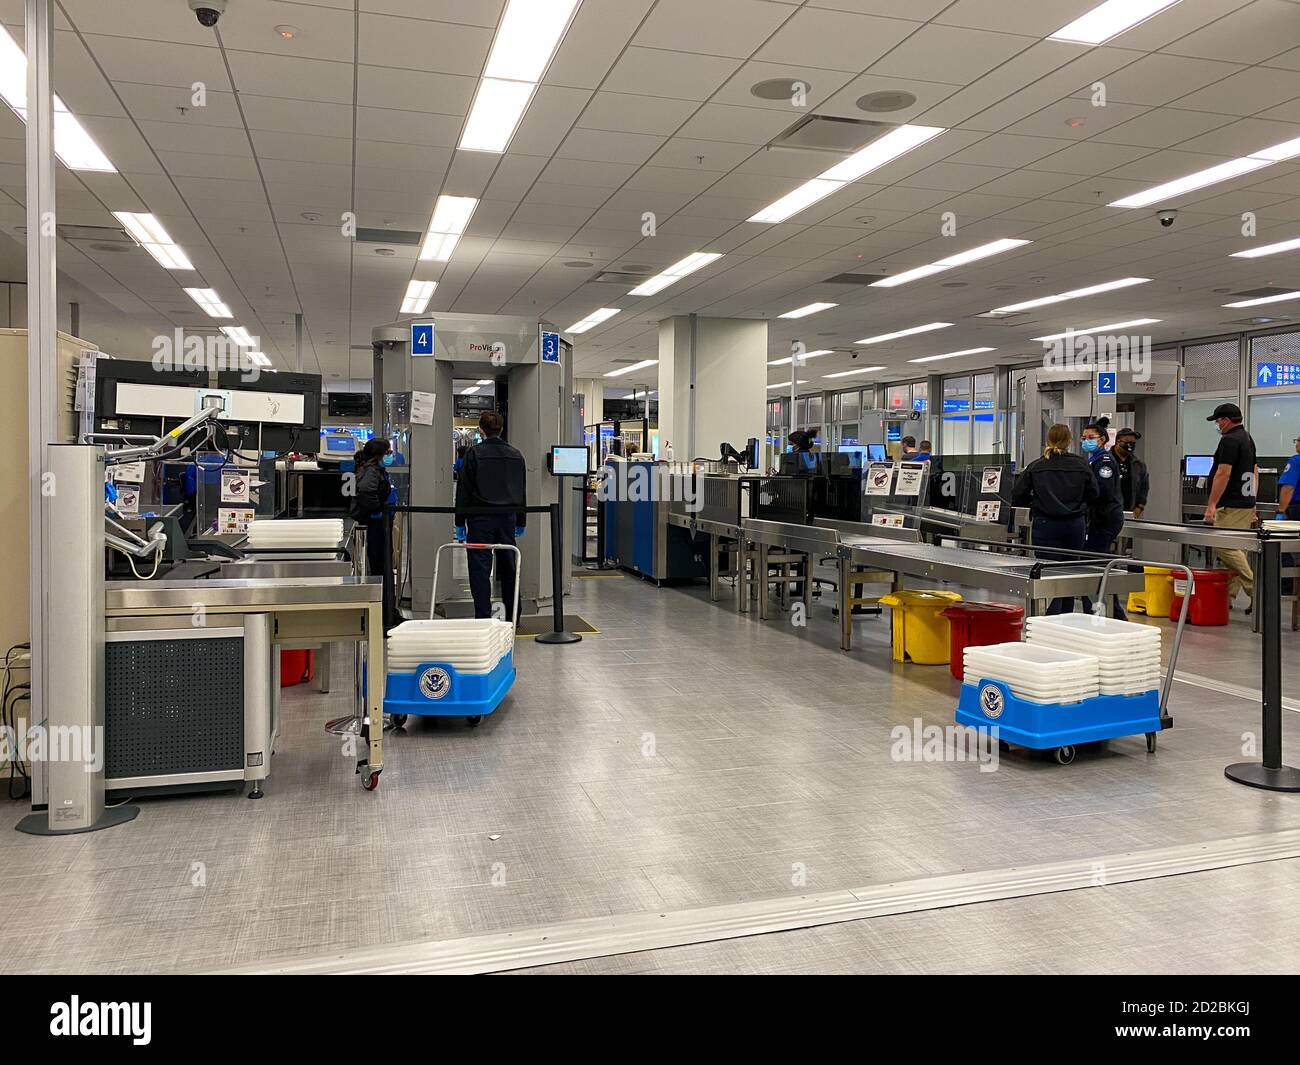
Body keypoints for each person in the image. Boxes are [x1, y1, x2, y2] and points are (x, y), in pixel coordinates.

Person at [1011, 423, 1097, 614]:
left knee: (1048, 570)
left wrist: (1036, 502)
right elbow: (1094, 493)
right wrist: (1079, 505)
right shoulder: (1081, 465)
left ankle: (1053, 611)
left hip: (1045, 523)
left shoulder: (1037, 466)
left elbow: (1018, 494)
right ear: (1070, 441)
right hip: (1075, 523)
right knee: (1069, 569)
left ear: (1047, 441)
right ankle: (1065, 611)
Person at [455, 410, 527, 622]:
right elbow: (522, 489)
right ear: (501, 429)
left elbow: (464, 489)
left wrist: (460, 521)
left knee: (479, 569)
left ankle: (483, 616)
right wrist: (521, 519)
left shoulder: (474, 454)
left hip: (480, 519)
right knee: (509, 568)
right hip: (507, 518)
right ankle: (514, 616)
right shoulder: (516, 454)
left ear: (481, 429)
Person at [1204, 402, 1258, 610]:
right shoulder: (1247, 438)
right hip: (1244, 502)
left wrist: (1211, 504)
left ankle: (1257, 590)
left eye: (1218, 421)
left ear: (1226, 420)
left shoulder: (1229, 441)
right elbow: (1255, 470)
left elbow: (1223, 472)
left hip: (1231, 502)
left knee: (1224, 545)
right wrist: (1252, 501)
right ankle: (1228, 598)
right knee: (1237, 551)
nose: (1217, 425)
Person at [1080, 418, 1127, 619]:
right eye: (1084, 438)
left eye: (1091, 438)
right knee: (1097, 564)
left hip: (1105, 519)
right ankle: (1113, 612)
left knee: (1091, 564)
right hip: (1098, 518)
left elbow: (1102, 492)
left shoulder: (1104, 462)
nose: (1086, 441)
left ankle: (1101, 611)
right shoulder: (1092, 460)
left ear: (1102, 440)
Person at [350, 438, 396, 587]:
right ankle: (382, 602)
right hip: (375, 523)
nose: (390, 455)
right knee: (379, 561)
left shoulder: (376, 471)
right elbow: (366, 493)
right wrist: (378, 509)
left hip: (379, 521)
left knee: (382, 560)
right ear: (379, 455)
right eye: (388, 452)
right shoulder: (371, 472)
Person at [1112, 427, 1149, 518]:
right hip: (1109, 512)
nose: (1130, 446)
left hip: (1129, 512)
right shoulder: (1105, 460)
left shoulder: (1138, 464)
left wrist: (1140, 506)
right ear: (1118, 442)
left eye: (1133, 443)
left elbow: (1144, 486)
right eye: (1127, 443)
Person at [1275, 435, 1300, 520]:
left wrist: (1281, 510)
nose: (1296, 444)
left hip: (1297, 509)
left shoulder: (1296, 461)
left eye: (1298, 441)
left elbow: (1288, 487)